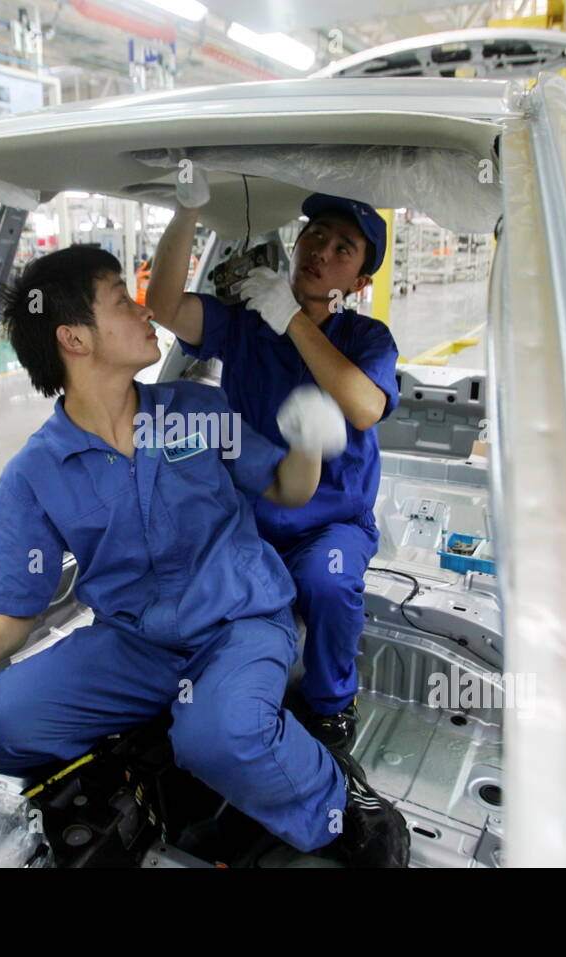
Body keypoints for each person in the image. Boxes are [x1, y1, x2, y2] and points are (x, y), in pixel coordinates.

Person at [0, 245, 409, 866]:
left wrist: (307, 445)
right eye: (120, 298)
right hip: (134, 643)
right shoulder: (34, 474)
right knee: (2, 728)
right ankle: (169, 734)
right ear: (75, 339)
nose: (143, 308)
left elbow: (285, 486)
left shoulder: (196, 410)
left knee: (219, 737)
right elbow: (13, 610)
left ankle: (341, 798)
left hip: (238, 622)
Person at [147, 180, 401, 752]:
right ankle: (203, 700)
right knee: (184, 574)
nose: (320, 251)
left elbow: (363, 407)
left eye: (343, 249)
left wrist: (290, 318)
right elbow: (162, 306)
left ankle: (333, 707)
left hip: (330, 523)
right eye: (314, 234)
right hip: (250, 513)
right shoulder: (243, 323)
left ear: (359, 282)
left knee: (326, 581)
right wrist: (188, 209)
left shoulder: (366, 337)